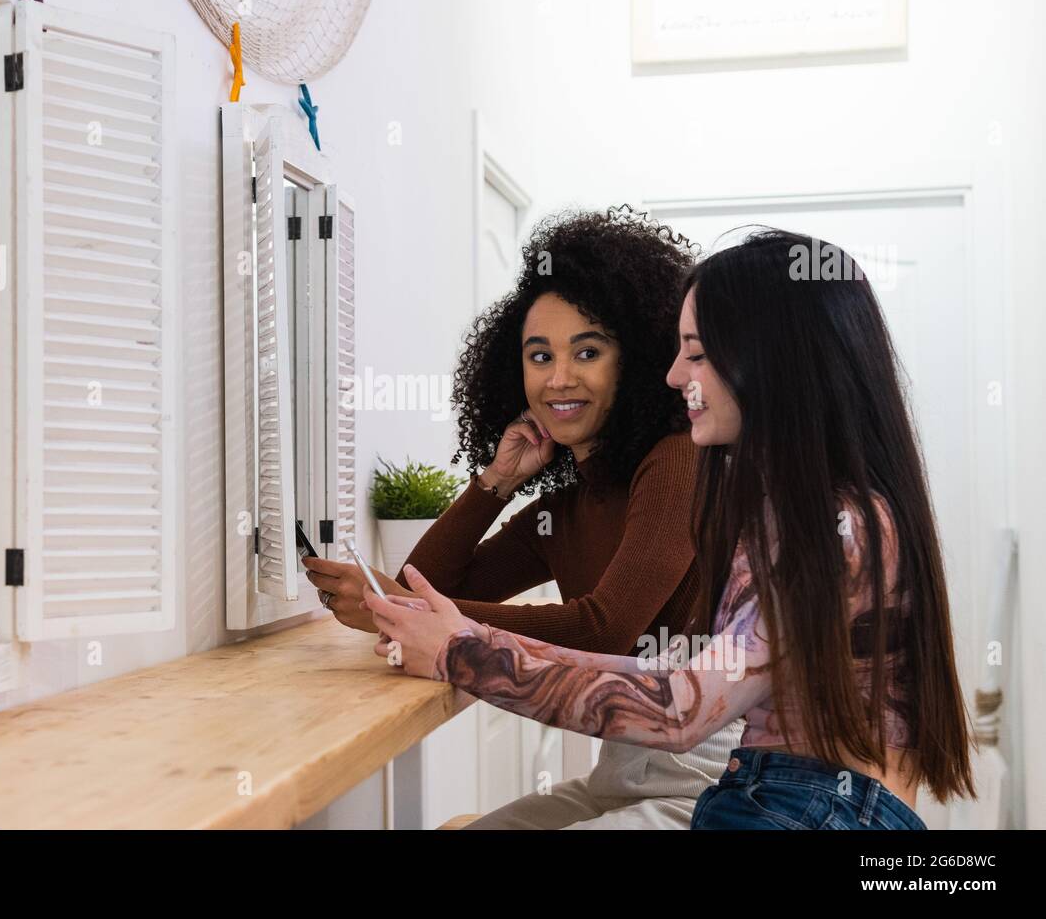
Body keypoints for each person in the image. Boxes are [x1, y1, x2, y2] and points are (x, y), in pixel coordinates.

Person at [365, 229, 975, 829]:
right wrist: (464, 638)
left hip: (812, 810)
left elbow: (680, 712)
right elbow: (670, 679)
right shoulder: (788, 511)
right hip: (767, 796)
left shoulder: (836, 527)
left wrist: (461, 650)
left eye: (698, 353)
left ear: (772, 361)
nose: (673, 373)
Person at [305, 206, 744, 829]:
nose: (559, 378)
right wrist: (495, 483)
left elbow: (605, 630)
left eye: (586, 352)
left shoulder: (677, 464)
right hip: (620, 776)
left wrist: (413, 613)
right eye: (539, 356)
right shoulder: (563, 510)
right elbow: (431, 583)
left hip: (704, 785)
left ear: (637, 360)